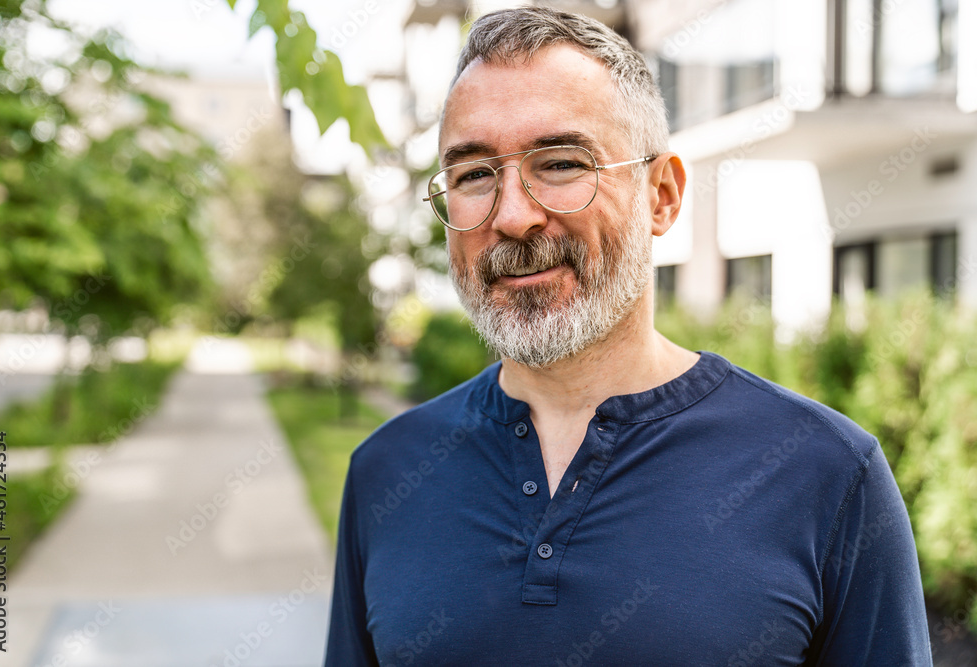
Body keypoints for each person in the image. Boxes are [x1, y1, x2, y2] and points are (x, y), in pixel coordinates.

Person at [324, 7, 932, 665]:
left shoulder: (828, 476)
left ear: (663, 194)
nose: (515, 215)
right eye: (474, 175)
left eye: (560, 163)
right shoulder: (387, 472)